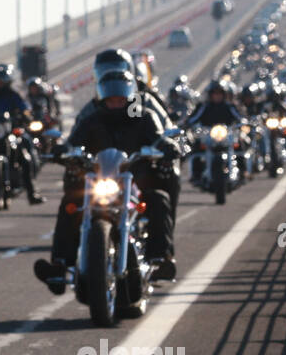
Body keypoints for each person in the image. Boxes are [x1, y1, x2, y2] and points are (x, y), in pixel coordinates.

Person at [38, 68, 180, 293]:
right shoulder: (91, 120)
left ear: (130, 96)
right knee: (70, 204)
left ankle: (160, 259)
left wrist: (168, 147)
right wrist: (62, 150)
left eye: (120, 99)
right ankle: (59, 266)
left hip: (135, 181)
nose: (116, 103)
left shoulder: (144, 117)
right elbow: (73, 141)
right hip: (100, 180)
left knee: (159, 199)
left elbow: (159, 138)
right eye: (111, 99)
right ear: (102, 98)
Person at [0, 64, 43, 205]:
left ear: (7, 83)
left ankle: (32, 192)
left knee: (26, 155)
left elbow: (25, 109)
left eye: (0, 82)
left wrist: (27, 116)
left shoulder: (14, 95)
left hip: (11, 133)